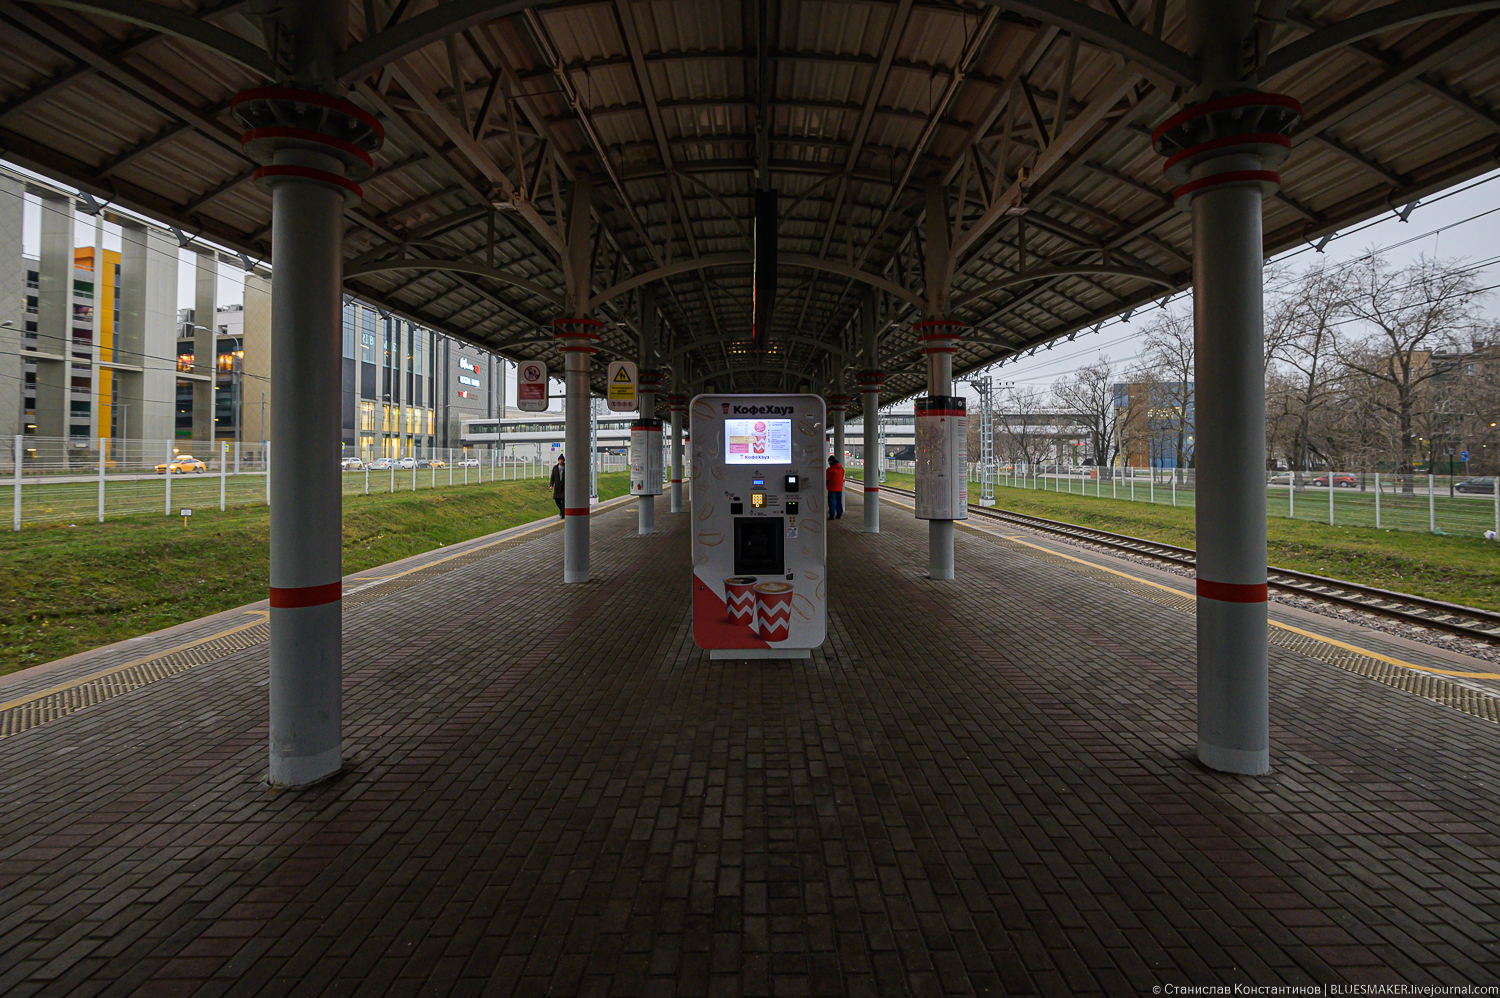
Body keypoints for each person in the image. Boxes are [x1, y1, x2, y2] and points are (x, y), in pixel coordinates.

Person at [826, 455, 845, 520]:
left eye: (829, 462)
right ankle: (839, 513)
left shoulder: (830, 469)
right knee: (839, 501)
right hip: (839, 487)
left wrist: (826, 485)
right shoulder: (841, 468)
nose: (829, 463)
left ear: (831, 461)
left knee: (832, 502)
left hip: (832, 488)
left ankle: (832, 515)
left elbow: (827, 478)